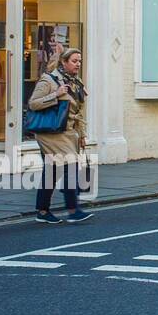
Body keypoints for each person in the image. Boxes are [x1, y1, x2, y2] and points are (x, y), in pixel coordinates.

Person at [27, 47, 92, 224]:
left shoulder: (75, 81)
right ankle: (73, 209)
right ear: (64, 62)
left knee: (52, 172)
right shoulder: (48, 80)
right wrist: (56, 94)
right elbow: (33, 104)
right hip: (51, 133)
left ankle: (42, 211)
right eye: (74, 61)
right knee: (71, 166)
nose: (78, 64)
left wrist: (82, 135)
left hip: (69, 132)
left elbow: (77, 112)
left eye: (79, 61)